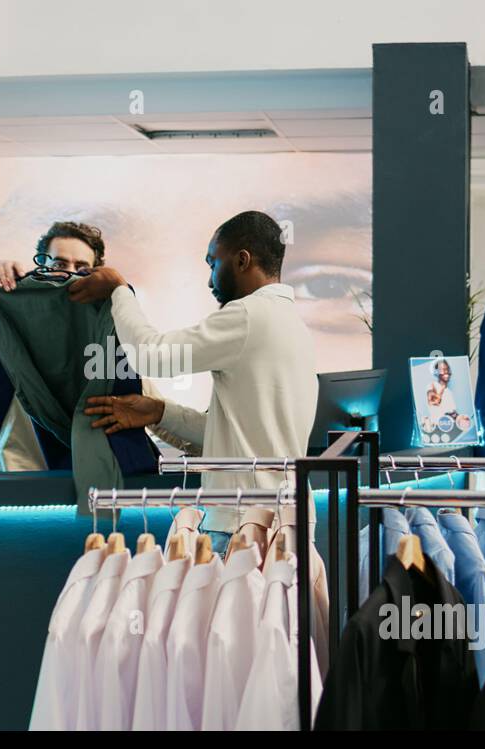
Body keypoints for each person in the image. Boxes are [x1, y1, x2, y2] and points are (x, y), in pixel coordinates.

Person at [68, 210, 318, 552]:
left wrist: (119, 290)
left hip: (241, 524)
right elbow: (235, 441)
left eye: (212, 263)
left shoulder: (247, 316)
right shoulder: (292, 325)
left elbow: (151, 355)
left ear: (242, 260)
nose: (209, 279)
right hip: (282, 522)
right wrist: (158, 412)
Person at [0, 220, 195, 470]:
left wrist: (210, 446)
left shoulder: (106, 347)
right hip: (21, 484)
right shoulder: (13, 335)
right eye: (60, 263)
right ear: (43, 264)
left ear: (96, 273)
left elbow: (148, 408)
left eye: (82, 267)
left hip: (85, 487)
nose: (69, 273)